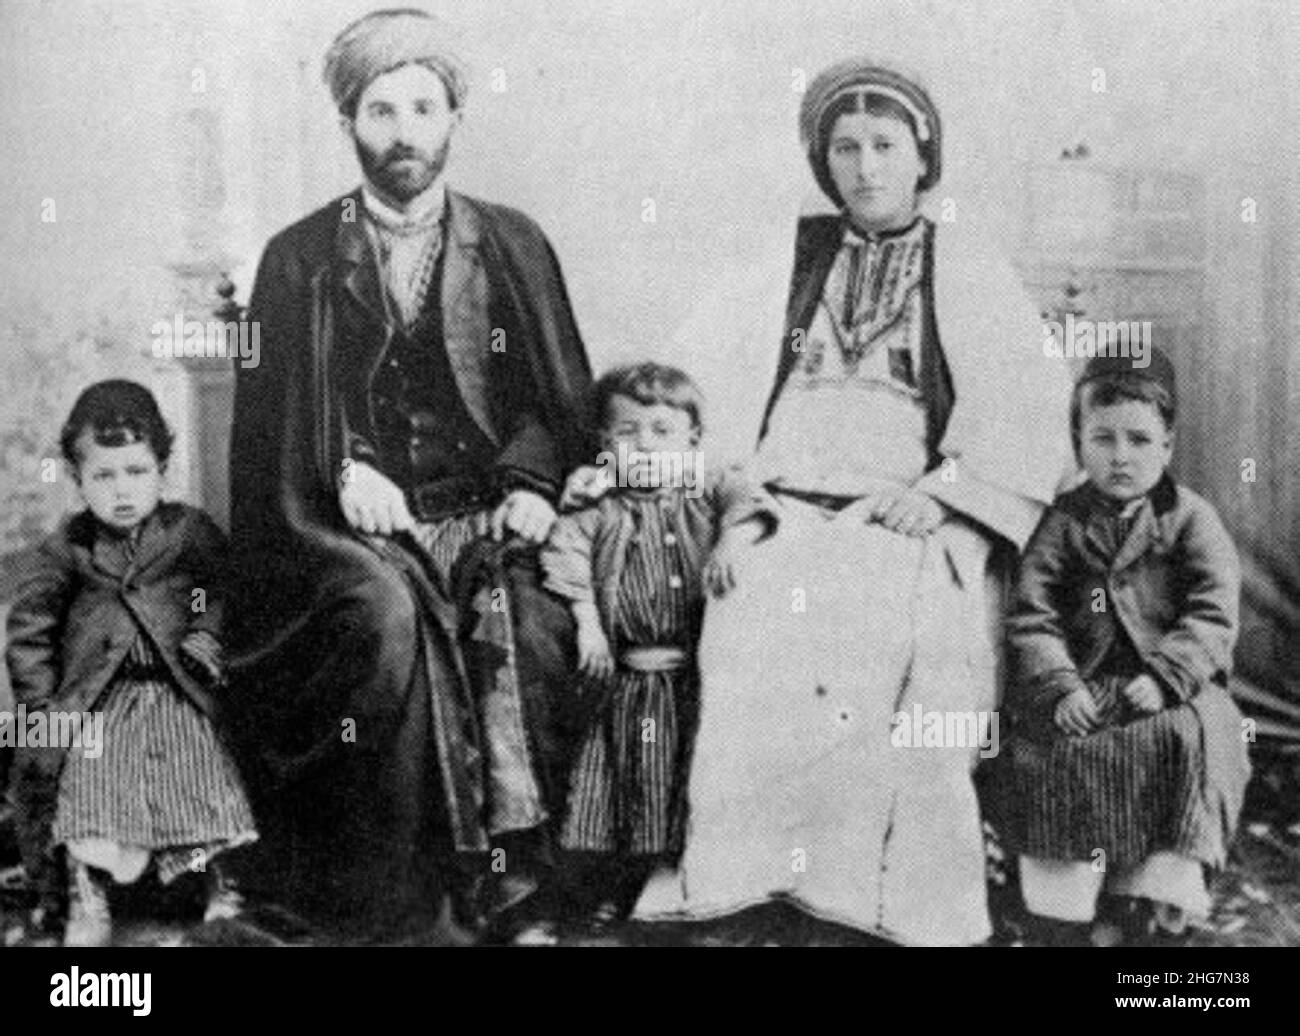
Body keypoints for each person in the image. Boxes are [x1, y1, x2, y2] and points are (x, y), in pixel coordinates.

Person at [632, 57, 1073, 945]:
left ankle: (886, 892)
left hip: (903, 505)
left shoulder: (964, 259)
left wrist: (951, 496)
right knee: (748, 604)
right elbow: (701, 375)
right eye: (845, 148)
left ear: (922, 157)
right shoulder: (789, 255)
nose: (865, 167)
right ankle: (746, 873)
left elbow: (1026, 404)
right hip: (782, 498)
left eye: (885, 145)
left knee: (891, 618)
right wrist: (734, 483)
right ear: (823, 160)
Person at [225, 9, 592, 942]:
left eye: (423, 108)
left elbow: (548, 402)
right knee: (388, 623)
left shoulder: (511, 244)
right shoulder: (299, 257)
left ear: (454, 119)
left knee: (530, 623)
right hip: (339, 528)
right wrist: (341, 464)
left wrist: (529, 482)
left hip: (481, 507)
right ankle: (393, 897)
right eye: (380, 111)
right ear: (349, 124)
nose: (403, 134)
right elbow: (271, 440)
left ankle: (513, 884)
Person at [998, 350, 1250, 946]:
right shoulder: (1061, 523)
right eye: (1102, 438)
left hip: (1172, 690)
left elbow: (1214, 612)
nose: (1120, 456)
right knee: (1051, 750)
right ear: (1078, 443)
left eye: (1139, 440)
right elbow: (1030, 612)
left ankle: (1148, 901)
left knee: (1190, 744)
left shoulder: (1191, 519)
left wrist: (1167, 676)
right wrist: (1059, 684)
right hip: (1082, 682)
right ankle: (1064, 907)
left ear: (1167, 445)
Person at [6, 380, 256, 947]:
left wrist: (206, 632)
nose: (122, 490)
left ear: (162, 468)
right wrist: (43, 709)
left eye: (137, 472)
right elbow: (31, 630)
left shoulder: (187, 532)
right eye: (103, 475)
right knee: (92, 781)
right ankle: (85, 890)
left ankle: (218, 887)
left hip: (177, 692)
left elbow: (225, 589)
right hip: (99, 703)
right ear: (77, 479)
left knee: (200, 770)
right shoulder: (68, 547)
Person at [541, 363, 766, 930]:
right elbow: (565, 555)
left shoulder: (705, 486)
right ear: (603, 443)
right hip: (627, 680)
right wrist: (587, 621)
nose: (644, 445)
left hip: (689, 679)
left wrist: (731, 543)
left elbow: (748, 496)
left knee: (682, 787)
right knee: (615, 788)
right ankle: (607, 891)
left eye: (662, 431)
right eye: (627, 432)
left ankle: (682, 895)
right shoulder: (598, 502)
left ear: (692, 440)